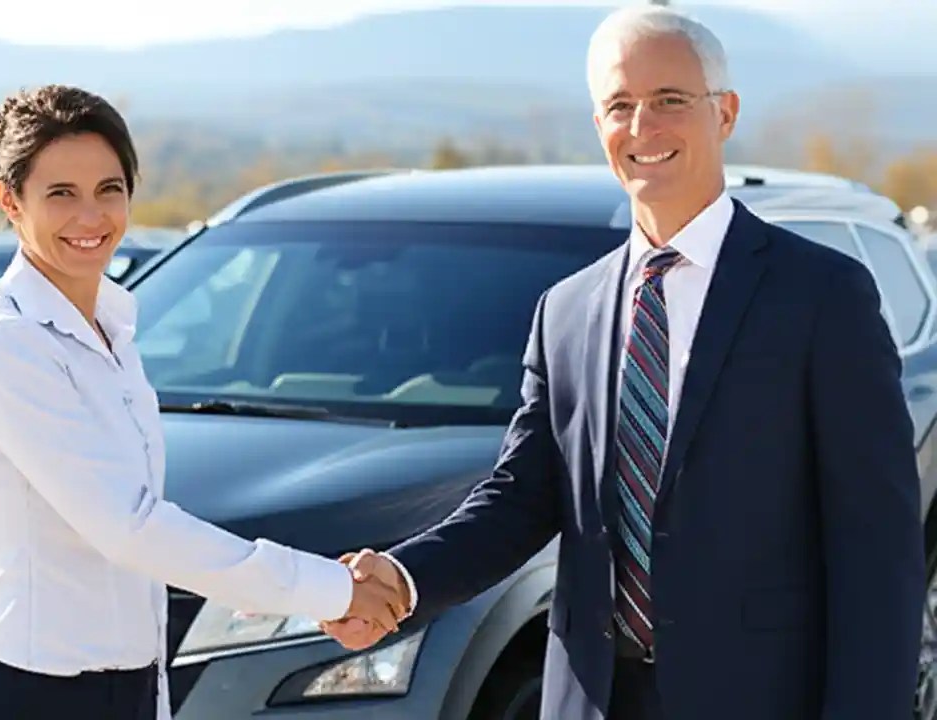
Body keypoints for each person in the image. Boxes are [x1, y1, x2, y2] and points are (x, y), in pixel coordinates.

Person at [323, 6, 925, 720]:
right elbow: (522, 499)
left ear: (724, 112)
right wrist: (402, 576)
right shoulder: (566, 311)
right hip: (592, 696)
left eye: (670, 100)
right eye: (619, 106)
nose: (643, 128)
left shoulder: (822, 295)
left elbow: (877, 553)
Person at [0, 85, 405, 720]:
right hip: (31, 694)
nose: (91, 216)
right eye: (60, 194)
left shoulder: (109, 327)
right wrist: (330, 591)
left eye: (109, 189)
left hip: (126, 688)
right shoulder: (8, 343)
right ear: (9, 201)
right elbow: (130, 528)